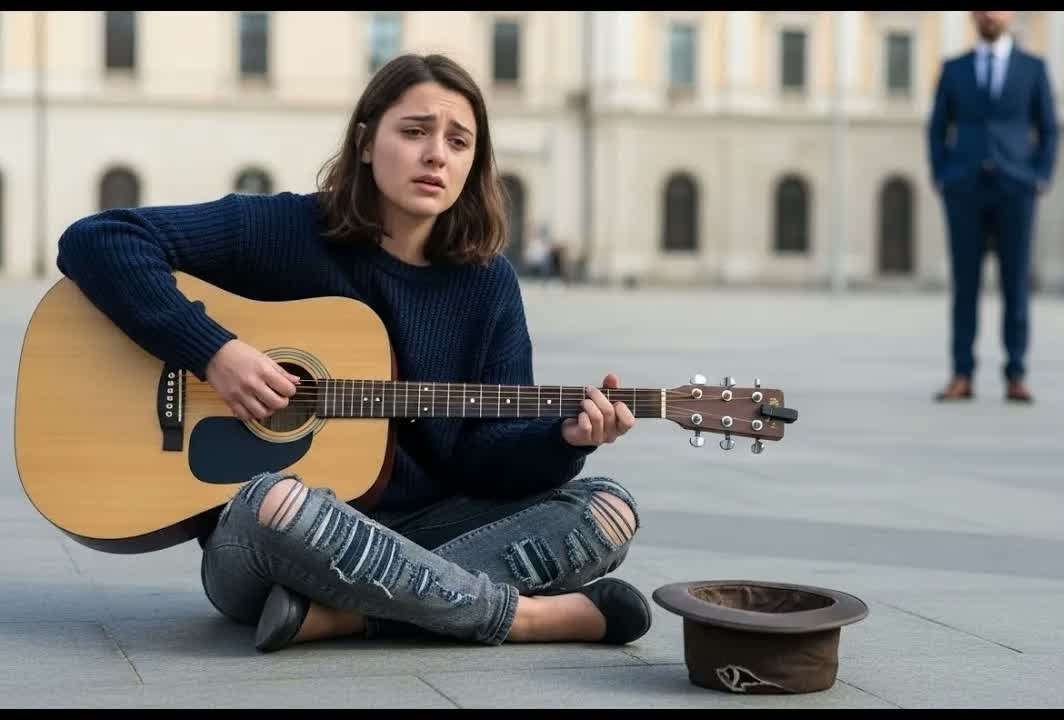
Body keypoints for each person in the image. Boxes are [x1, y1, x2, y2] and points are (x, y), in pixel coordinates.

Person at [54, 53, 650, 653]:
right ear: (365, 142)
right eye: (414, 131)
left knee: (607, 509)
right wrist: (214, 352)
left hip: (428, 533)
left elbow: (483, 460)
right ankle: (520, 617)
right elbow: (99, 238)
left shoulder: (486, 282)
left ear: (474, 162)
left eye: (458, 141)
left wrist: (562, 441)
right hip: (277, 544)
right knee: (277, 499)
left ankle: (352, 616)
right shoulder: (289, 229)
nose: (436, 154)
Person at [927, 11, 1059, 404]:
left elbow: (1048, 127)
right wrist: (941, 174)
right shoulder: (954, 69)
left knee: (1015, 284)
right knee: (964, 286)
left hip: (1015, 188)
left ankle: (1015, 373)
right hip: (964, 187)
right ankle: (961, 373)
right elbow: (937, 127)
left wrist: (1040, 175)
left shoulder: (1033, 68)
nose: (989, 14)